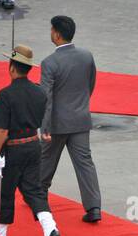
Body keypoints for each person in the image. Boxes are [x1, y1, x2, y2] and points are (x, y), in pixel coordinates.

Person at [0, 45, 61, 236]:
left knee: (5, 191)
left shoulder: (6, 94)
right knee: (34, 190)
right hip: (33, 145)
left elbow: (2, 130)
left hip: (12, 149)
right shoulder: (39, 92)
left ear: (12, 68)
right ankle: (50, 228)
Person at [40, 15, 102, 224]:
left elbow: (46, 98)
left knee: (46, 161)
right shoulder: (86, 56)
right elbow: (90, 85)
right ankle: (94, 208)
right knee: (85, 164)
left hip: (56, 123)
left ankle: (38, 199)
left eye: (51, 30)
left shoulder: (49, 63)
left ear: (57, 34)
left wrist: (44, 125)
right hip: (80, 120)